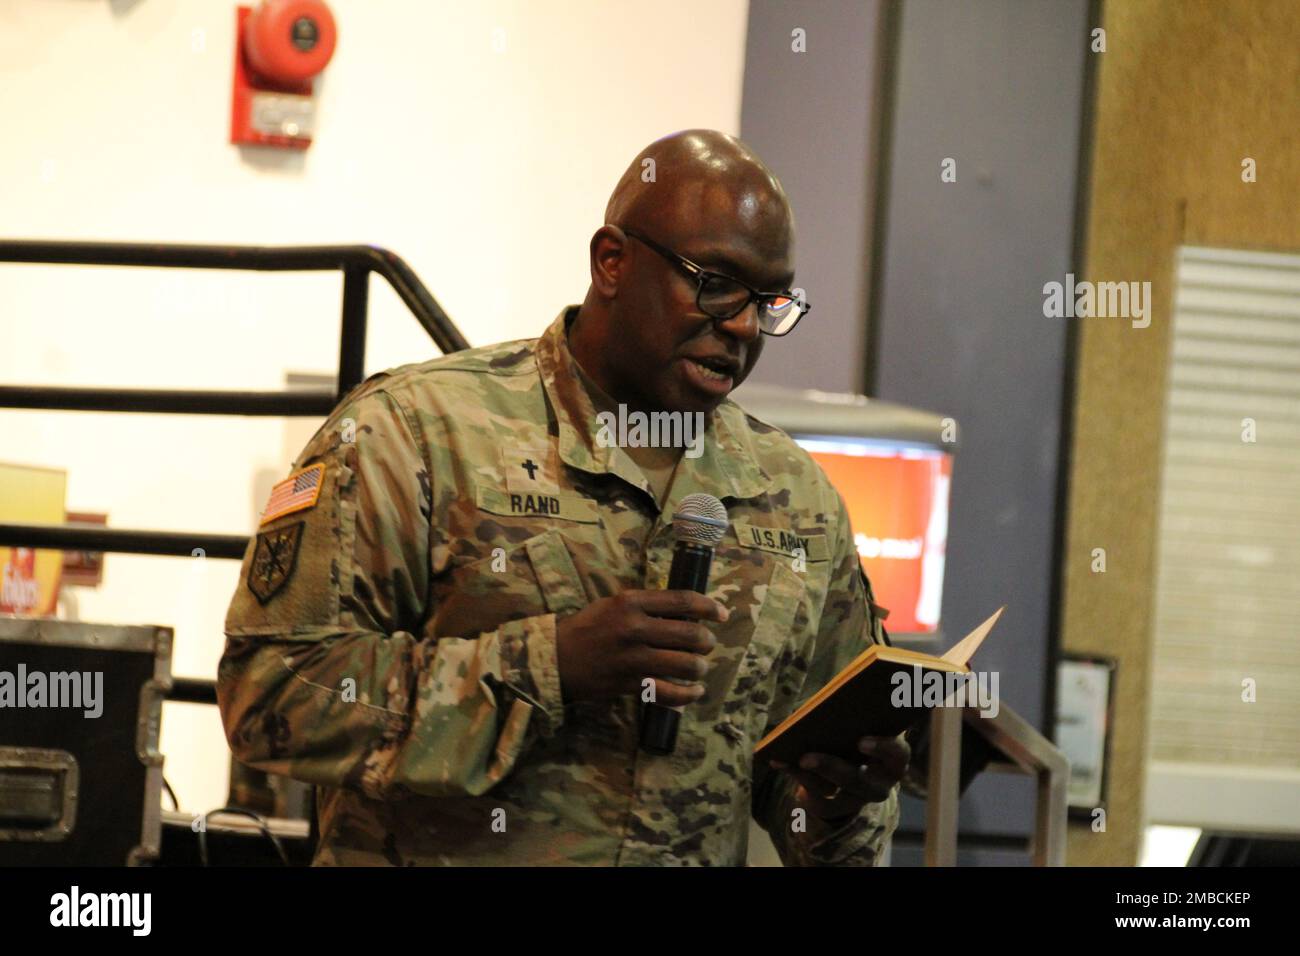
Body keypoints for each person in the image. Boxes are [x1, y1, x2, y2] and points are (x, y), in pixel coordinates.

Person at [217, 129, 909, 866]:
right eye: (714, 283)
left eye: (770, 302)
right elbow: (270, 695)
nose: (742, 324)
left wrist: (837, 801)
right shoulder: (415, 432)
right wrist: (548, 666)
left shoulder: (796, 500)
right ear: (611, 261)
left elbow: (810, 822)